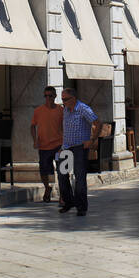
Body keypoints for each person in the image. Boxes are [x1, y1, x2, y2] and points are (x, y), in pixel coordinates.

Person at [57, 87, 99, 217]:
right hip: (66, 147)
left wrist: (91, 140)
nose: (63, 102)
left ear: (73, 98)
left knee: (79, 177)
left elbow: (98, 123)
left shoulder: (83, 108)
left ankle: (81, 207)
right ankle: (68, 202)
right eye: (62, 99)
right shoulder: (65, 110)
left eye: (65, 99)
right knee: (62, 175)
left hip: (79, 147)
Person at [30, 86, 63, 203]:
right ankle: (47, 188)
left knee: (62, 170)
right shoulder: (38, 111)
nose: (48, 98)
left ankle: (63, 195)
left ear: (55, 96)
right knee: (44, 170)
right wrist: (35, 140)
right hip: (44, 145)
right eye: (46, 96)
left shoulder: (61, 110)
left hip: (59, 145)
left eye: (50, 96)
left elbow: (65, 127)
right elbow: (32, 126)